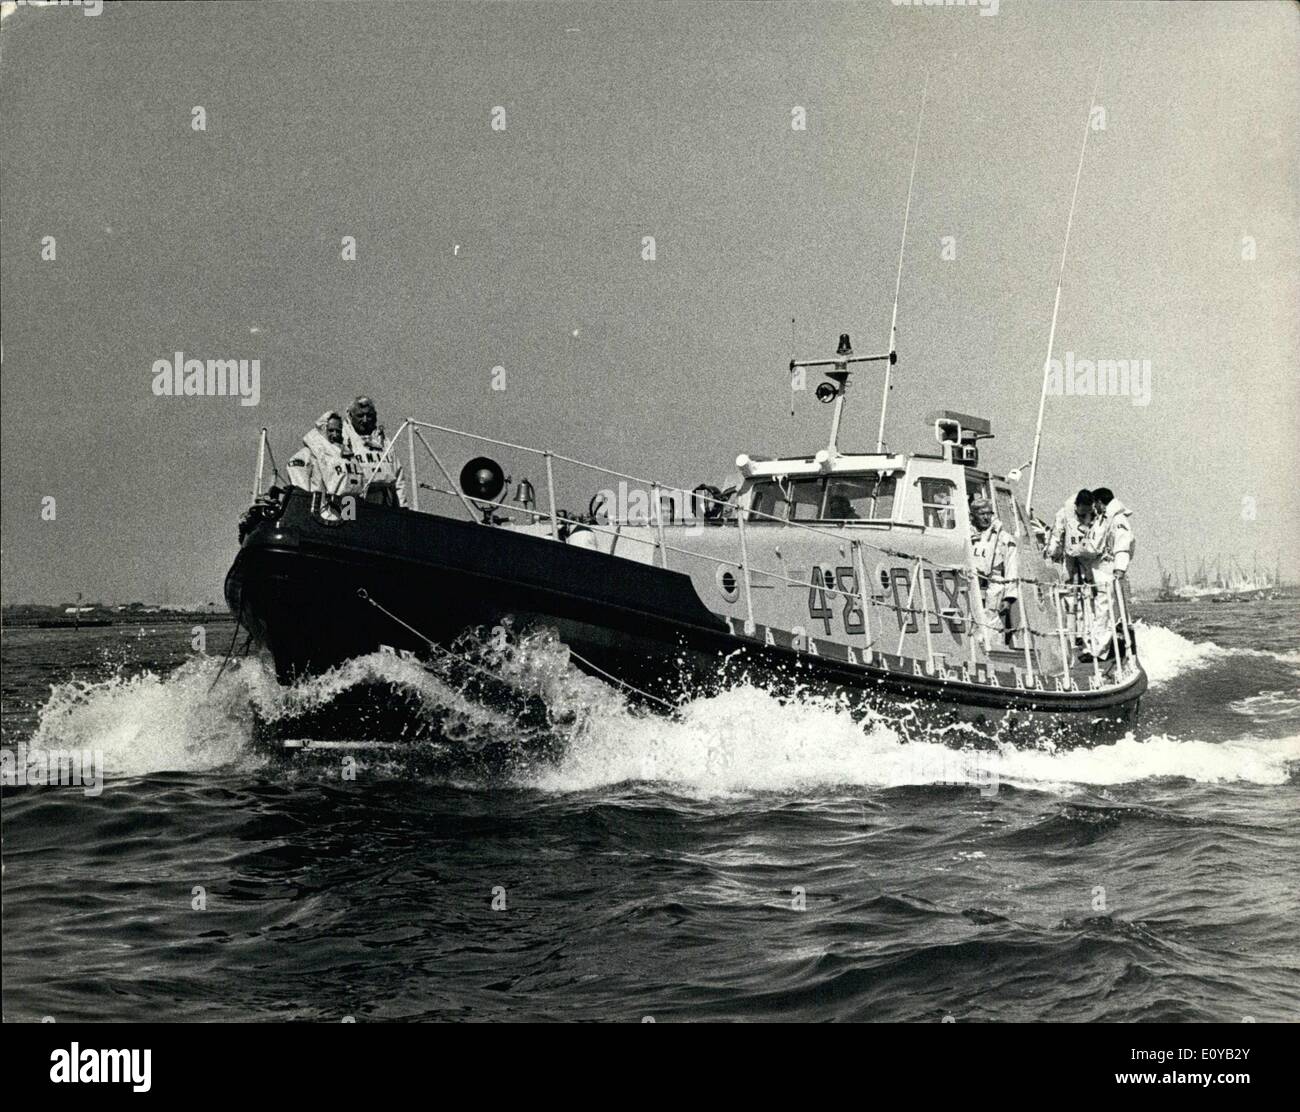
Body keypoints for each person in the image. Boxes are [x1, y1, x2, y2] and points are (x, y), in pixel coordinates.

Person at [1080, 486, 1135, 662]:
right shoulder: (1104, 519)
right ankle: (1099, 646)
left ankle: (1099, 651)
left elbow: (1123, 545)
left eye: (1095, 504)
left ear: (1100, 503)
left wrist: (1120, 569)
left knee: (1104, 610)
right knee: (1101, 610)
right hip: (1100, 571)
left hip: (1108, 571)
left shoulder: (1117, 520)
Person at [1046, 489, 1097, 645]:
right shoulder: (1064, 513)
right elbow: (1057, 533)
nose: (1084, 516)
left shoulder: (1096, 515)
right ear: (1076, 506)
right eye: (1081, 513)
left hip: (1087, 556)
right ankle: (1071, 635)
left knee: (1089, 593)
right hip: (1069, 556)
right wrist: (1052, 550)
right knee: (1069, 593)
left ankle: (1088, 633)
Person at [969, 496, 1019, 648]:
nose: (985, 517)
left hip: (995, 584)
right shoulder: (968, 535)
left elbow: (1012, 568)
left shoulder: (1004, 539)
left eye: (988, 513)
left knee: (993, 624)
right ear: (973, 516)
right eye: (981, 514)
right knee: (973, 623)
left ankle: (995, 652)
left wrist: (1009, 598)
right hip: (973, 583)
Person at [341, 396, 408, 508]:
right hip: (352, 498)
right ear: (350, 415)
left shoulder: (384, 442)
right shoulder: (342, 439)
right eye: (360, 416)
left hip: (382, 498)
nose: (365, 420)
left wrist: (403, 507)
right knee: (351, 524)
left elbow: (398, 476)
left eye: (369, 416)